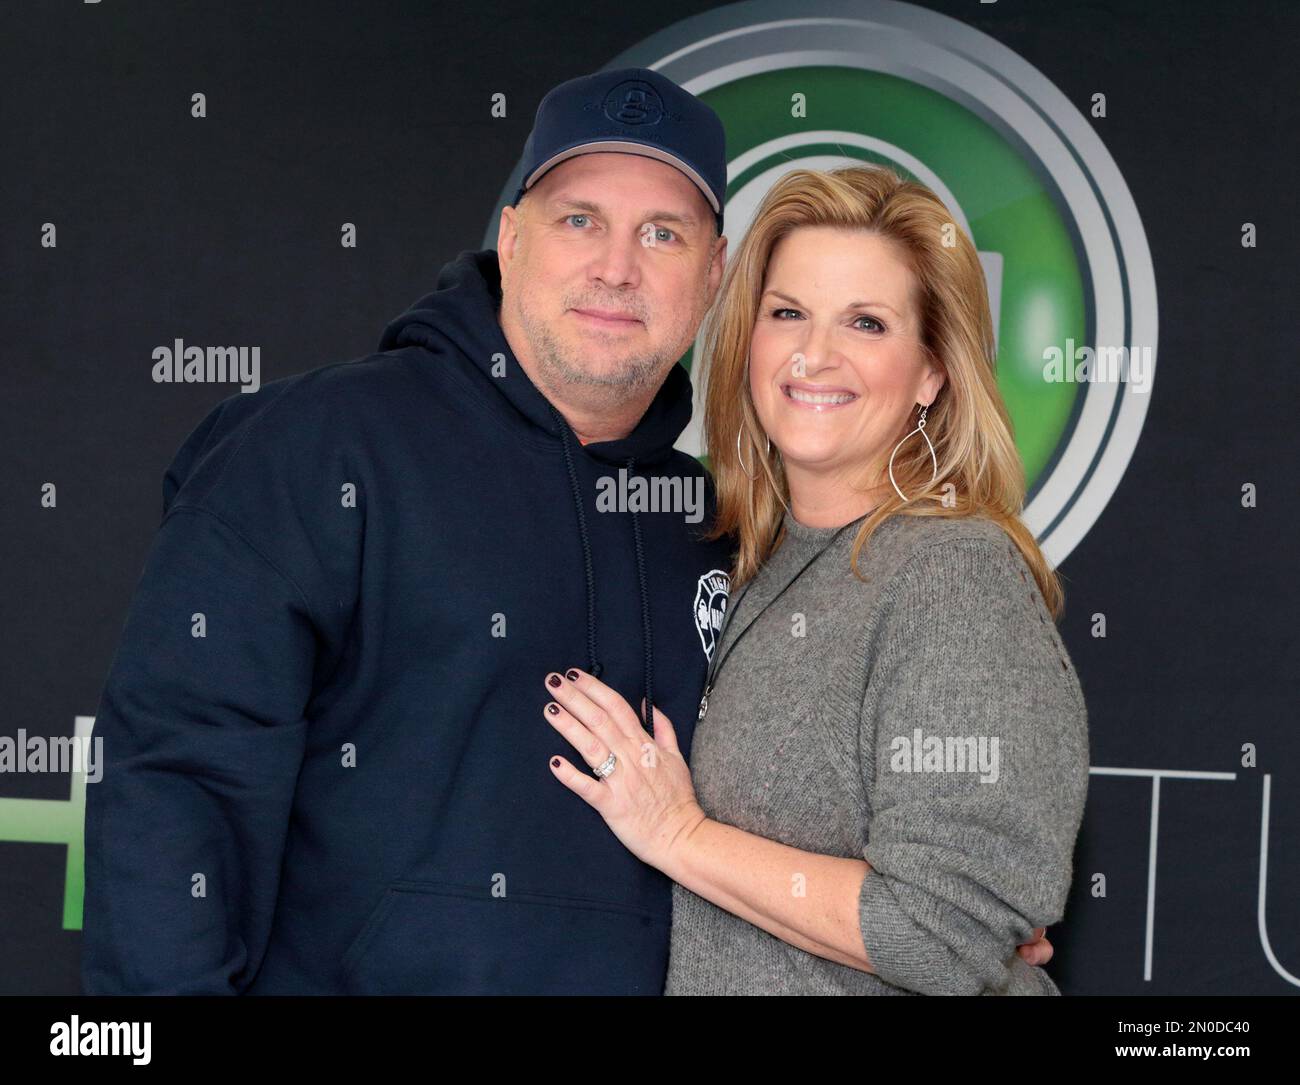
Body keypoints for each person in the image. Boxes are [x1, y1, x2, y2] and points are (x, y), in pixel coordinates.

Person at [81, 67, 1050, 995]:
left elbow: (866, 844)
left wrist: (958, 916)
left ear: (712, 277)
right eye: (580, 219)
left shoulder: (713, 527)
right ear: (511, 237)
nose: (615, 267)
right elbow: (180, 786)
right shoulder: (317, 447)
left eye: (663, 234)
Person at [538, 163, 1089, 995]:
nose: (815, 354)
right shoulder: (747, 552)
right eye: (788, 312)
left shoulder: (952, 573)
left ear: (933, 371)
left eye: (866, 323)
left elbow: (943, 934)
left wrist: (678, 832)